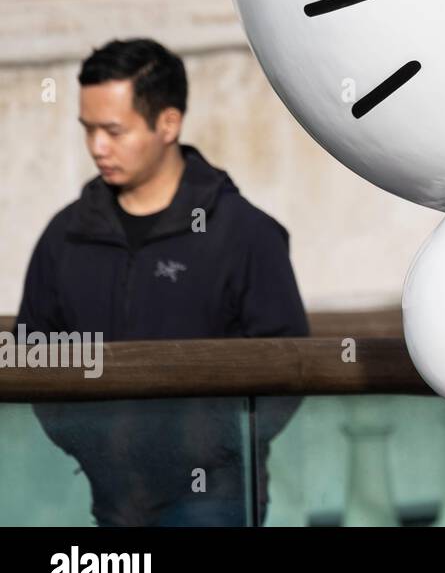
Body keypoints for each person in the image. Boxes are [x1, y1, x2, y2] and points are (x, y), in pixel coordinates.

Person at [16, 38, 309, 525]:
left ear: (168, 123)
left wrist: (211, 448)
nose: (97, 147)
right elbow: (33, 352)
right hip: (110, 498)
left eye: (113, 130)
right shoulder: (65, 236)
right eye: (88, 130)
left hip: (215, 497)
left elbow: (289, 361)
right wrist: (94, 446)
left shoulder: (243, 233)